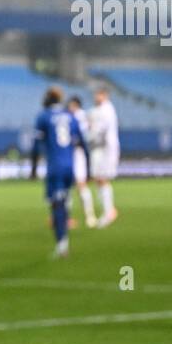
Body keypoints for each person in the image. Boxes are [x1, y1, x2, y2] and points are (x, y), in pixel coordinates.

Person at [31, 86, 89, 259]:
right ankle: (64, 234)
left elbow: (36, 147)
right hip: (70, 166)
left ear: (49, 98)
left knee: (56, 204)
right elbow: (83, 144)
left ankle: (62, 245)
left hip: (55, 167)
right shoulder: (71, 116)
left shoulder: (44, 116)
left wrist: (33, 169)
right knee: (63, 200)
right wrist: (89, 169)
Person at [89, 87, 120, 227]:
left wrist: (89, 135)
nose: (96, 97)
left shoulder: (107, 110)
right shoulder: (99, 110)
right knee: (98, 178)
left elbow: (100, 129)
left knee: (102, 178)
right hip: (99, 148)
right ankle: (108, 210)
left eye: (99, 94)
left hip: (106, 149)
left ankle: (109, 212)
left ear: (105, 95)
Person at [67, 96, 97, 229]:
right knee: (71, 186)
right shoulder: (75, 117)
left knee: (80, 185)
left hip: (77, 153)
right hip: (72, 153)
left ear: (76, 105)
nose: (70, 108)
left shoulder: (79, 116)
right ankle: (68, 218)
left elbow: (83, 137)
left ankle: (90, 216)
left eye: (72, 105)